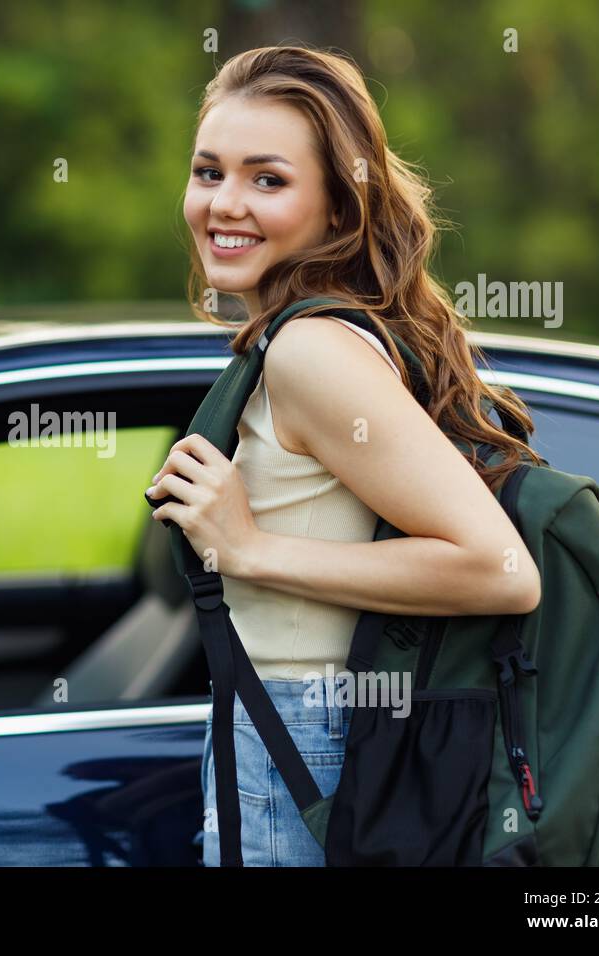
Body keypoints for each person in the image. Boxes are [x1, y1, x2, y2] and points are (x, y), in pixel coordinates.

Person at [145, 45, 546, 866]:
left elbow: (499, 569)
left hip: (306, 736)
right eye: (208, 171)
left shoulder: (312, 353)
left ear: (337, 209)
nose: (224, 203)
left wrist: (250, 548)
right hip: (288, 729)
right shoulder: (301, 340)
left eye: (268, 179)